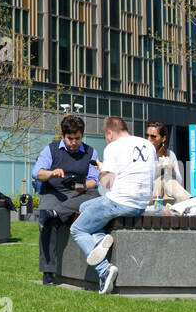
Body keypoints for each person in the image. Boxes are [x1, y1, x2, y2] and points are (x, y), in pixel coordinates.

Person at [69, 116, 155, 294]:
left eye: (105, 137)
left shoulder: (113, 147)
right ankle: (100, 240)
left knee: (78, 229)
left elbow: (107, 183)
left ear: (109, 133)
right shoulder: (147, 144)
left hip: (119, 202)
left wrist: (100, 170)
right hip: (140, 204)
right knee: (85, 208)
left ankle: (104, 269)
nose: (106, 140)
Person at [32, 114, 100, 285]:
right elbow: (37, 173)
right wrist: (51, 173)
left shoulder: (91, 152)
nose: (74, 142)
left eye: (77, 138)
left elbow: (94, 180)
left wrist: (82, 185)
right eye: (70, 138)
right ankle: (48, 272)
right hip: (53, 191)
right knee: (49, 223)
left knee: (95, 195)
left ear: (82, 136)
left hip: (77, 190)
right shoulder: (51, 149)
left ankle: (55, 212)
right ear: (63, 136)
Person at [145, 121, 190, 203]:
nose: (148, 139)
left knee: (168, 179)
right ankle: (190, 202)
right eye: (147, 135)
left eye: (153, 136)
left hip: (164, 196)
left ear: (163, 138)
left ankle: (190, 202)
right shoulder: (141, 153)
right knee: (164, 178)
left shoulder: (169, 154)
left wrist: (171, 171)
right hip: (145, 194)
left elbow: (178, 182)